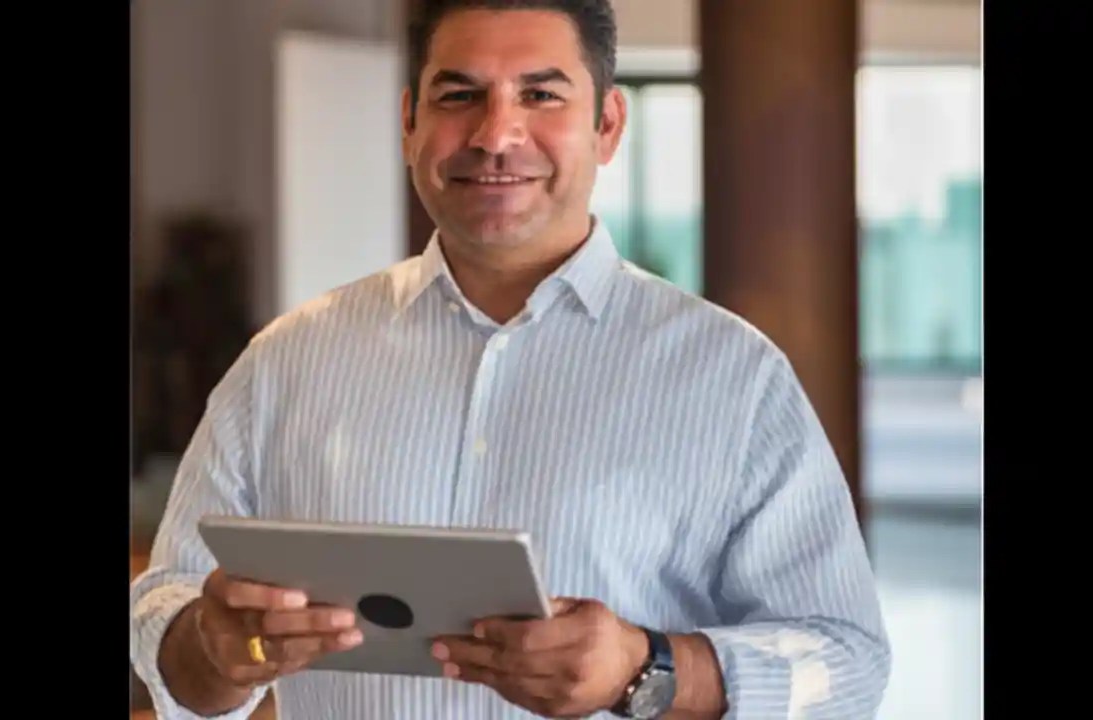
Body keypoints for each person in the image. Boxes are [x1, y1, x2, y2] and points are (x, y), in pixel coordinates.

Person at [129, 1, 892, 718]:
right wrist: (209, 647)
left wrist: (648, 668)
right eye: (458, 95)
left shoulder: (735, 376)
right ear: (408, 123)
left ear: (609, 125)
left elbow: (848, 661)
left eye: (541, 95)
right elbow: (167, 603)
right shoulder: (285, 361)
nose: (495, 135)